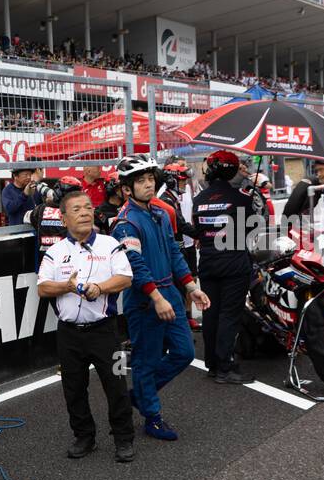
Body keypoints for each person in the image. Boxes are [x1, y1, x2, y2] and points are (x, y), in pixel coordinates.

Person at [111, 155, 211, 441]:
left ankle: (141, 394)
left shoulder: (160, 213)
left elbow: (174, 252)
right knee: (147, 360)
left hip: (170, 293)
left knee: (184, 353)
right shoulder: (125, 223)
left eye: (150, 179)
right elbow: (135, 266)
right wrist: (156, 297)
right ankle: (152, 418)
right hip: (145, 300)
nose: (148, 185)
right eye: (140, 181)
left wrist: (192, 287)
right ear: (127, 189)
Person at [37, 190, 135, 463]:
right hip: (68, 334)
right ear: (64, 219)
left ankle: (124, 438)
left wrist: (100, 288)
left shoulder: (110, 244)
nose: (84, 212)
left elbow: (126, 278)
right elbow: (42, 288)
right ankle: (84, 436)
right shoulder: (54, 253)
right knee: (73, 387)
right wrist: (67, 286)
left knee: (115, 385)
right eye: (77, 209)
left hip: (105, 331)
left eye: (88, 207)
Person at [191, 149, 264, 384]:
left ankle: (212, 364)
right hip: (234, 262)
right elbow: (254, 228)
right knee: (229, 315)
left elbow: (199, 232)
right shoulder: (242, 198)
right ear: (232, 171)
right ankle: (225, 367)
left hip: (208, 262)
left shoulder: (198, 200)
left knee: (210, 312)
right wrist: (254, 203)